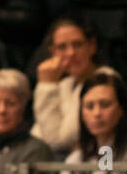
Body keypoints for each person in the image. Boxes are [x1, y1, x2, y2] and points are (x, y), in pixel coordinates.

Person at [29, 16, 113, 156]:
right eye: (62, 47)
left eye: (77, 44)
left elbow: (56, 142)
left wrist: (47, 86)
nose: (71, 53)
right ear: (53, 52)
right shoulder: (65, 84)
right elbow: (37, 135)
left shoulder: (105, 79)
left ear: (92, 46)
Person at [61, 69, 127, 174]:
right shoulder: (74, 160)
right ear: (82, 113)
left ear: (121, 109)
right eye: (90, 106)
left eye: (105, 104)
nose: (97, 113)